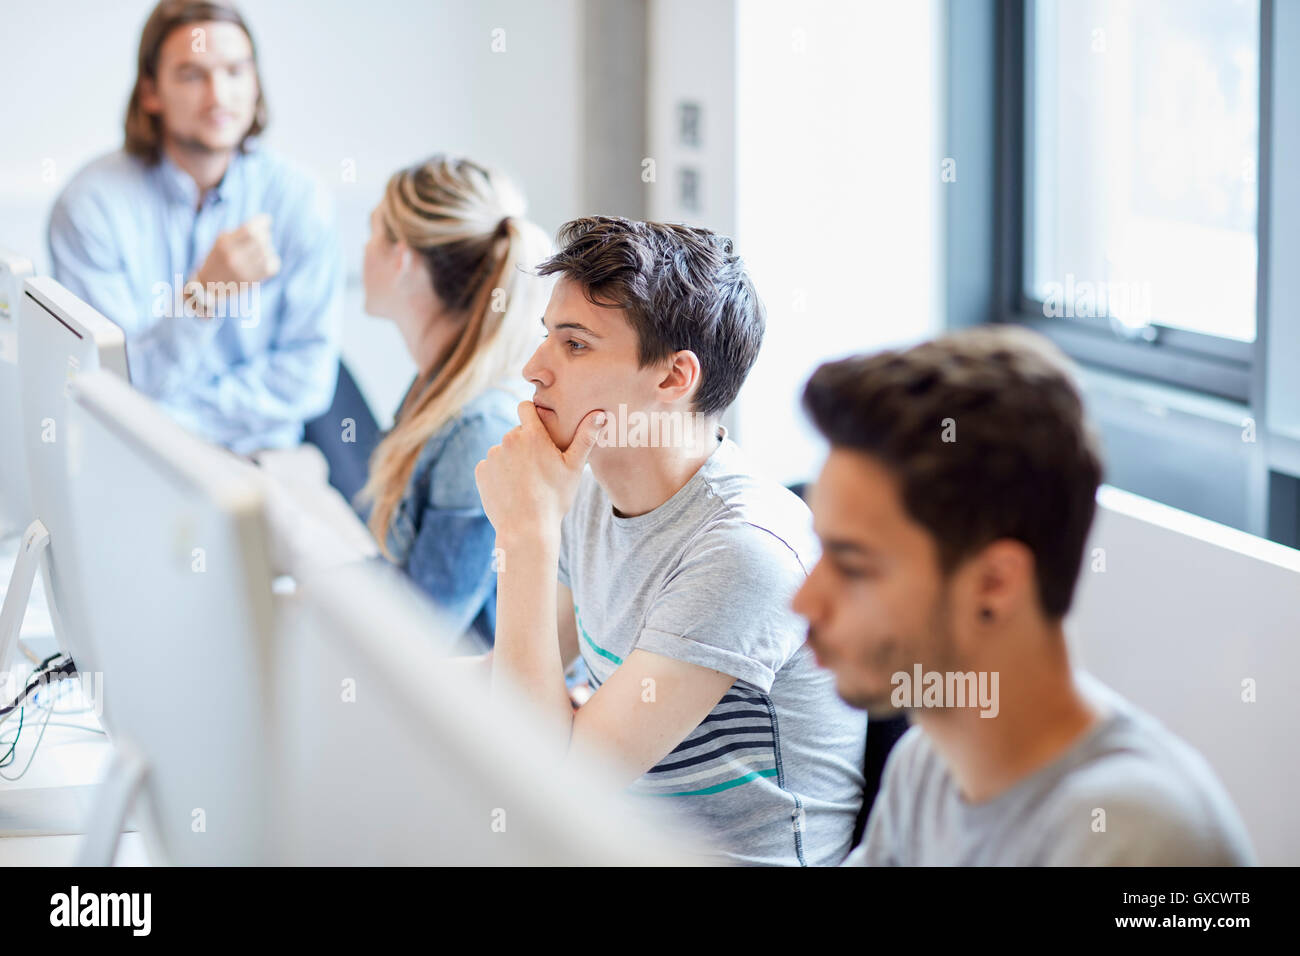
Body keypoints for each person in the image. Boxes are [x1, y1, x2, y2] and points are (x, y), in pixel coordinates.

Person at [473, 216, 866, 866]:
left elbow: (550, 782)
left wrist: (526, 533)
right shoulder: (592, 486)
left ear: (673, 378)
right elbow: (516, 680)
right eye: (547, 336)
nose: (534, 369)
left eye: (574, 345)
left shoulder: (743, 550)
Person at [791, 325, 1255, 865]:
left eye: (853, 565)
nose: (804, 601)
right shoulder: (930, 765)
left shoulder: (1139, 838)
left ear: (995, 583)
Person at [48, 0, 341, 455]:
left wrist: (171, 420)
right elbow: (112, 386)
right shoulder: (90, 207)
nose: (218, 95)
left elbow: (306, 379)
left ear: (256, 83)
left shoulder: (299, 200)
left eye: (235, 72)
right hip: (133, 460)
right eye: (192, 74)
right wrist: (203, 297)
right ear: (150, 92)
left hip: (266, 457)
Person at [354, 156, 550, 649]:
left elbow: (423, 638)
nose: (361, 250)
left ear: (402, 259)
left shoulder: (476, 430)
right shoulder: (435, 389)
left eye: (372, 232)